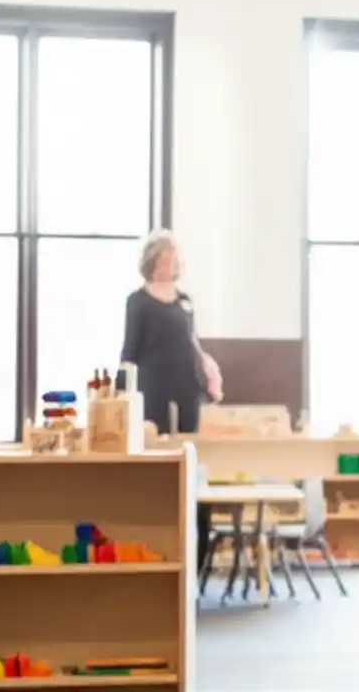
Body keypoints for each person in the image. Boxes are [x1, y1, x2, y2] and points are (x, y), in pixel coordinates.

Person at [121, 229, 223, 571]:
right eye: (169, 257)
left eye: (177, 256)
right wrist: (121, 392)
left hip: (187, 388)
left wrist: (210, 376)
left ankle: (197, 548)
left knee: (190, 456)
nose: (175, 262)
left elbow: (194, 343)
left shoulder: (185, 300)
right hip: (153, 388)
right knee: (158, 458)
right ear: (153, 262)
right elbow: (130, 350)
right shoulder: (138, 301)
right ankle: (158, 542)